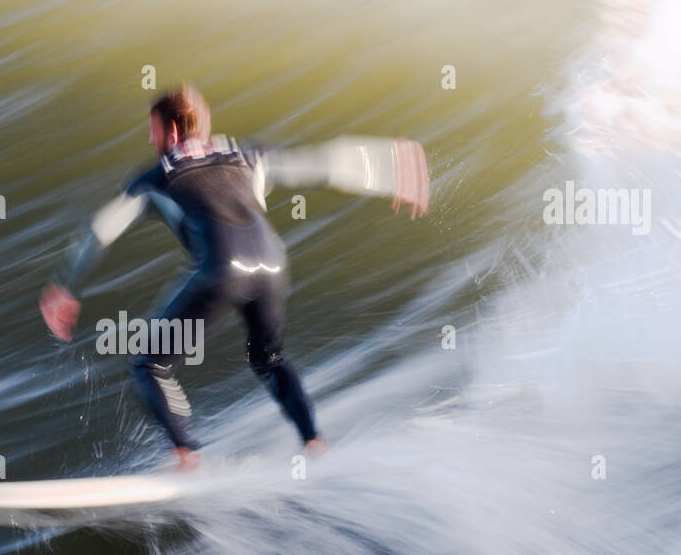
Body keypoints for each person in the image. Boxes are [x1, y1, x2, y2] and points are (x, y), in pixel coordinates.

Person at [40, 83, 428, 469]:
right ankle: (315, 444)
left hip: (222, 267)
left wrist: (64, 286)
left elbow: (101, 229)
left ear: (172, 132)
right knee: (270, 358)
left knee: (149, 365)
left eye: (153, 129)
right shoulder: (247, 154)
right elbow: (320, 162)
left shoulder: (156, 175)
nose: (150, 137)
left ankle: (188, 459)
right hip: (274, 262)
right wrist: (391, 167)